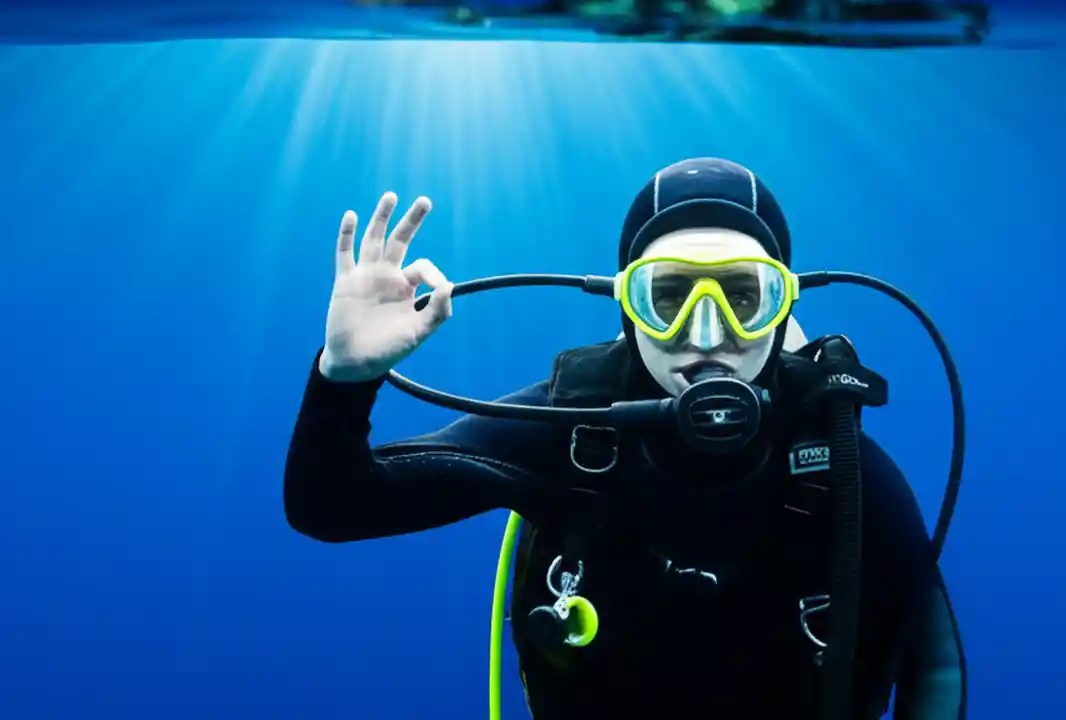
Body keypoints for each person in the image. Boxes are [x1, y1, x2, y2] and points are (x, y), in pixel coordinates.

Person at [284, 157, 967, 719]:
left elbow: (933, 667)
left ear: (784, 306)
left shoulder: (832, 456)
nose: (708, 333)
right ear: (626, 309)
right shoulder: (570, 429)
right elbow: (333, 505)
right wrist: (344, 378)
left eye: (744, 296)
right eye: (667, 297)